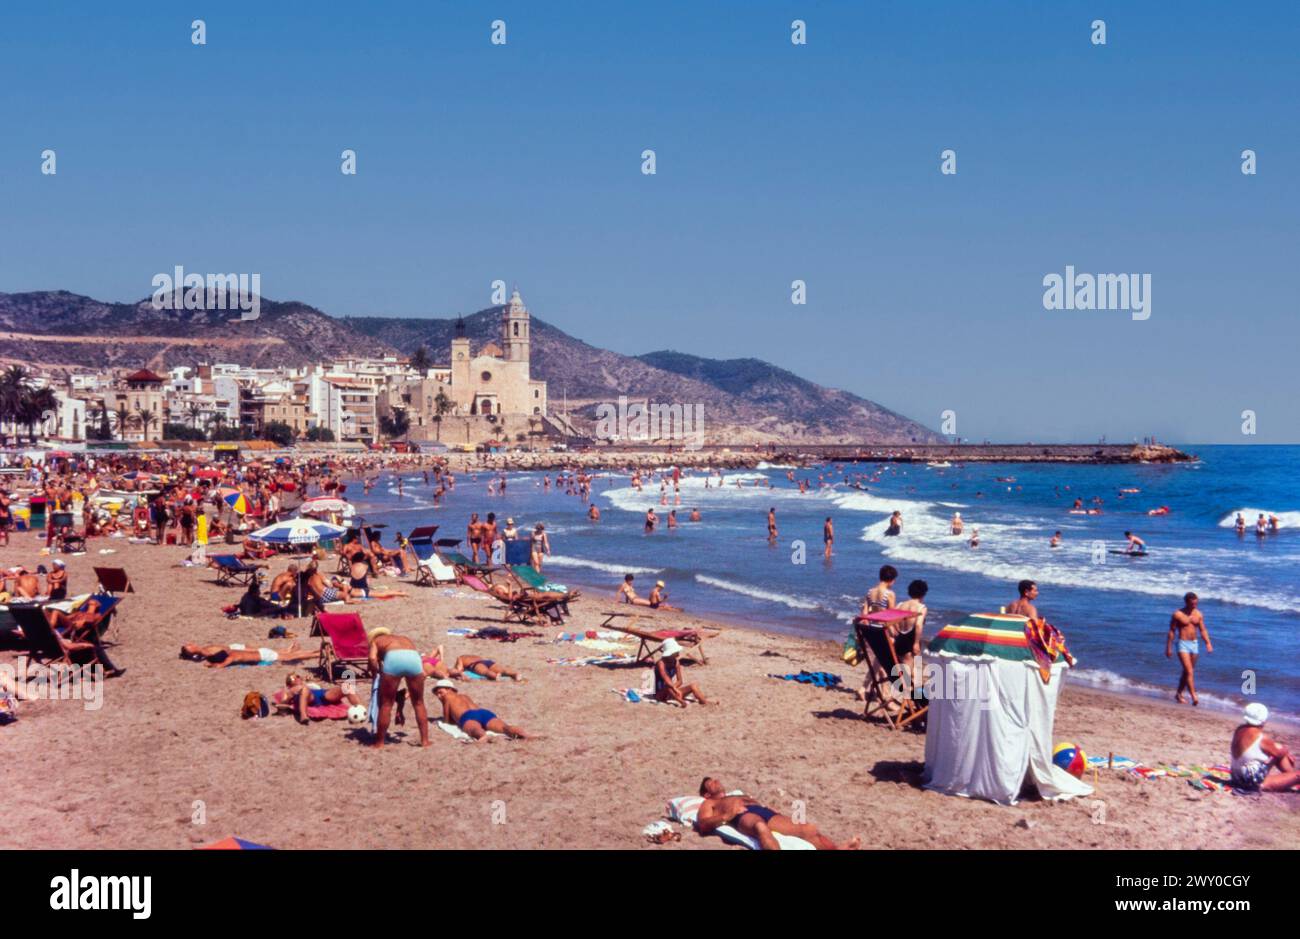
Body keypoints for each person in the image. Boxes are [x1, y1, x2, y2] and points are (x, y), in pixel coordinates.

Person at [695, 777, 859, 850]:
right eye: (711, 783)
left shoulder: (736, 794)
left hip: (764, 811)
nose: (716, 781)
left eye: (715, 779)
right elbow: (703, 825)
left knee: (807, 828)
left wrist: (769, 809)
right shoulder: (709, 803)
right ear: (706, 794)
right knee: (760, 827)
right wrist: (726, 816)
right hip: (741, 815)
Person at [367, 627, 430, 749]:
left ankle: (379, 743)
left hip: (394, 658)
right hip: (414, 658)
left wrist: (376, 672)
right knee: (419, 703)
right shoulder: (404, 639)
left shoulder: (376, 641)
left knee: (386, 705)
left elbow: (372, 658)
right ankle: (425, 741)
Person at [1230, 703, 1300, 792]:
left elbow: (1275, 749)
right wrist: (1286, 751)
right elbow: (1280, 752)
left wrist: (1281, 749)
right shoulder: (1261, 737)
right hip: (1251, 782)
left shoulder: (1239, 729)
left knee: (1277, 750)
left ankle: (1290, 777)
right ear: (1263, 720)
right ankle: (1292, 778)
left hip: (1236, 777)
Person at [431, 679, 531, 741]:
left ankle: (483, 736)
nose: (439, 696)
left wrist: (443, 720)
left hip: (467, 716)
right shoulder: (464, 696)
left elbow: (448, 721)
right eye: (437, 695)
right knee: (505, 727)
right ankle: (525, 734)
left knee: (475, 729)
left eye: (440, 692)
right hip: (483, 712)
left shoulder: (447, 697)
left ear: (449, 689)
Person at [1166, 592, 1212, 705]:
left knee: (1187, 672)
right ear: (1186, 602)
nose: (1194, 606)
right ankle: (1194, 696)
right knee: (1189, 671)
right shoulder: (1178, 614)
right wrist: (1169, 647)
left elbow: (1203, 630)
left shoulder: (1199, 614)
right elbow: (1172, 631)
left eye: (1196, 603)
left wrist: (1208, 643)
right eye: (1192, 604)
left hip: (1194, 644)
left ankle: (1178, 694)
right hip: (1182, 644)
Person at [281, 672, 361, 725]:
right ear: (289, 684)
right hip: (308, 697)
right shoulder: (290, 690)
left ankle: (361, 709)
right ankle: (303, 716)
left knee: (347, 686)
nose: (298, 678)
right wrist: (289, 694)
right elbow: (283, 703)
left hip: (322, 694)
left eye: (298, 676)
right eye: (293, 678)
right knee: (305, 690)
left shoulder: (308, 684)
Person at [652, 638, 710, 706]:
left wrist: (675, 689)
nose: (678, 653)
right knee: (668, 686)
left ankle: (704, 702)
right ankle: (682, 702)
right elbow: (665, 678)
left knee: (693, 686)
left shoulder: (676, 662)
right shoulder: (661, 663)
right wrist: (674, 689)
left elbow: (680, 681)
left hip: (672, 691)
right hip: (660, 694)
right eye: (676, 651)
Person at [178, 641, 316, 669]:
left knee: (292, 656)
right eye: (189, 646)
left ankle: (316, 654)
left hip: (263, 655)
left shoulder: (232, 655)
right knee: (292, 656)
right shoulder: (232, 655)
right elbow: (220, 664)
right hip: (263, 655)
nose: (190, 643)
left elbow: (220, 665)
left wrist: (211, 665)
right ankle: (316, 653)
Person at [451, 654, 523, 682]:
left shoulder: (460, 658)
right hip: (486, 661)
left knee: (486, 672)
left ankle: (495, 676)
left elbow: (459, 669)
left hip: (475, 664)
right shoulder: (474, 656)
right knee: (502, 669)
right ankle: (515, 674)